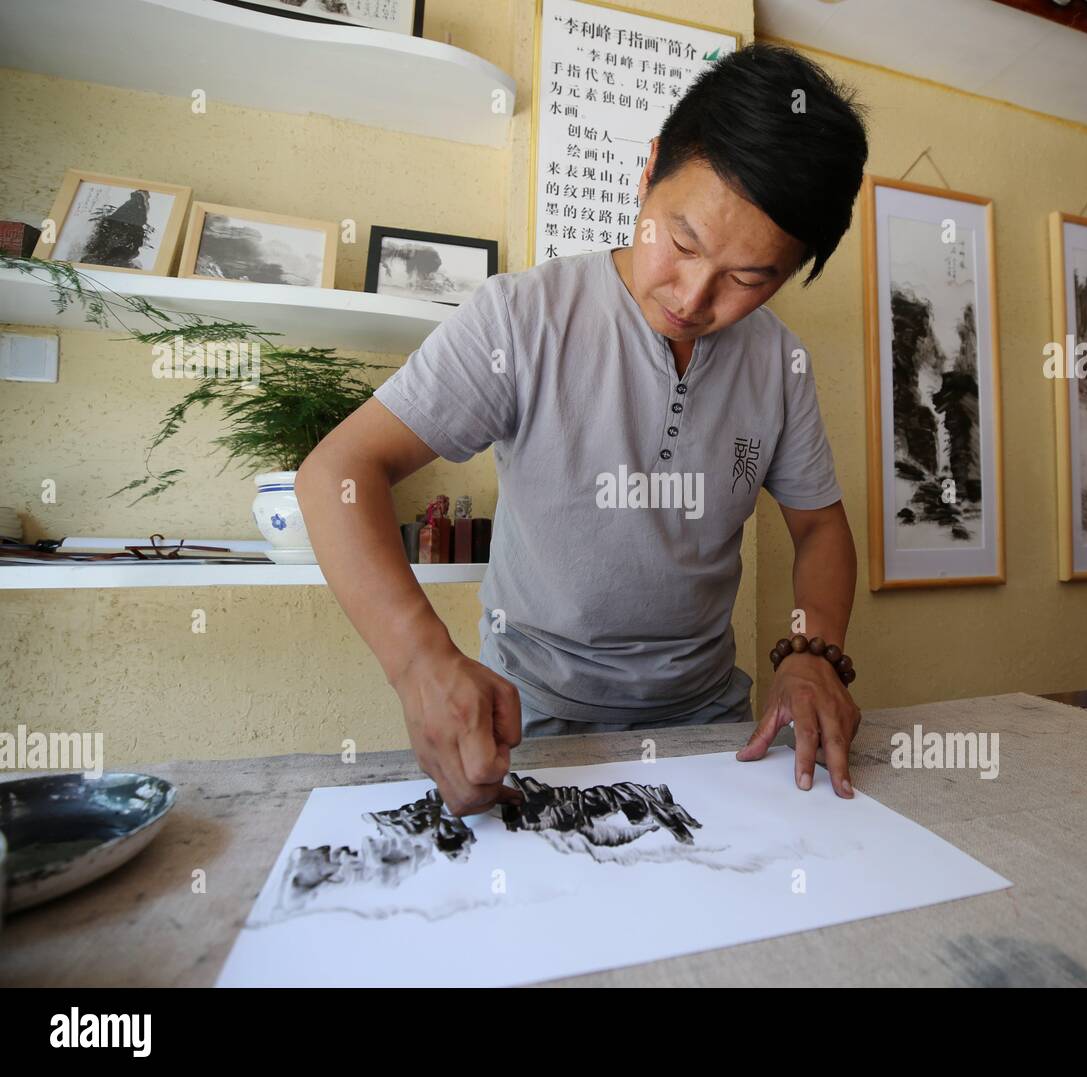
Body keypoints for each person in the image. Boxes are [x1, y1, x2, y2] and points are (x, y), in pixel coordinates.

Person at [297, 42, 869, 816]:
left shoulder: (779, 364)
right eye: (682, 240)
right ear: (651, 167)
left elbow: (821, 529)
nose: (695, 296)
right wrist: (421, 662)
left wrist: (812, 652)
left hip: (709, 721)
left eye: (747, 278)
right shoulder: (523, 318)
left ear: (793, 270)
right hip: (527, 721)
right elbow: (339, 471)